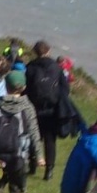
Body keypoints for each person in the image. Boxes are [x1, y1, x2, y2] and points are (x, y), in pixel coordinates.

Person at [25, 39, 72, 181]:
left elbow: (25, 88)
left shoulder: (30, 67)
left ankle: (32, 166)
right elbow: (65, 88)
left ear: (35, 52)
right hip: (52, 109)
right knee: (50, 141)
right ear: (49, 51)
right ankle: (49, 172)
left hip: (34, 107)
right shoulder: (56, 68)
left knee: (34, 137)